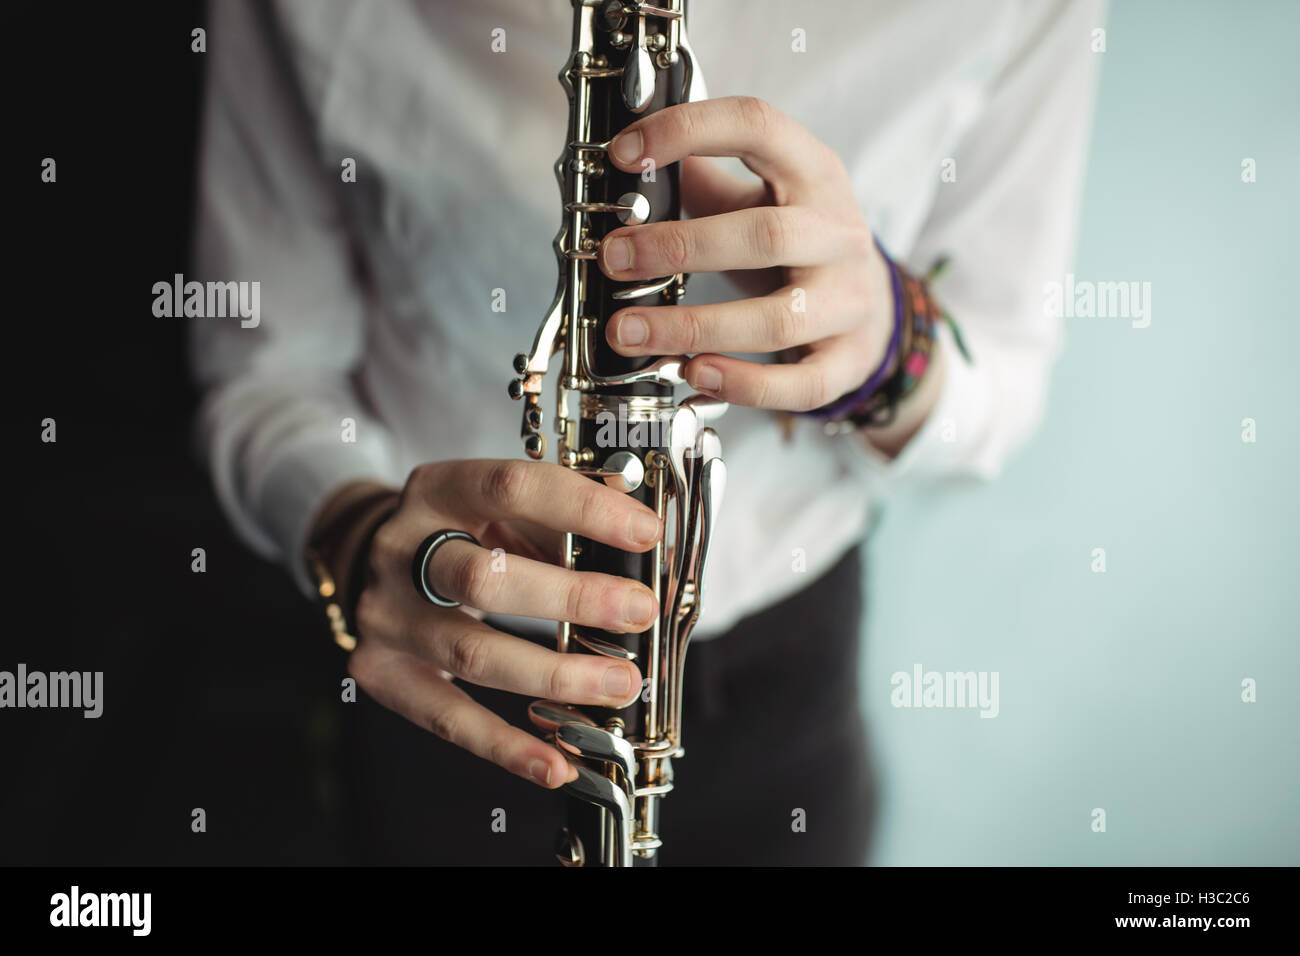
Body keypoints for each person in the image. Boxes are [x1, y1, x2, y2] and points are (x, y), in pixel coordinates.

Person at [190, 0, 1101, 865]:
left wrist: (889, 348)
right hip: (437, 674)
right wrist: (352, 535)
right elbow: (263, 371)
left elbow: (1007, 374)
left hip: (788, 681)